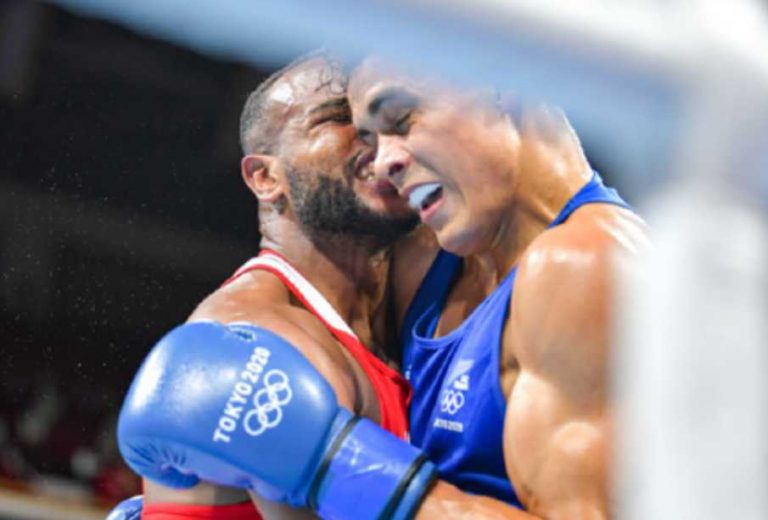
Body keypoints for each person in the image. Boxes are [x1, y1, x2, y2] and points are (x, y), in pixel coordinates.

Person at [108, 52, 420, 519]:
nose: (374, 135)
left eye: (382, 117)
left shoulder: (413, 301)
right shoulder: (261, 337)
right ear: (265, 177)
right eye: (340, 119)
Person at [345, 59, 650, 518]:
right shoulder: (433, 267)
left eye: (402, 121)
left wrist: (351, 476)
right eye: (372, 141)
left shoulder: (584, 263)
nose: (385, 162)